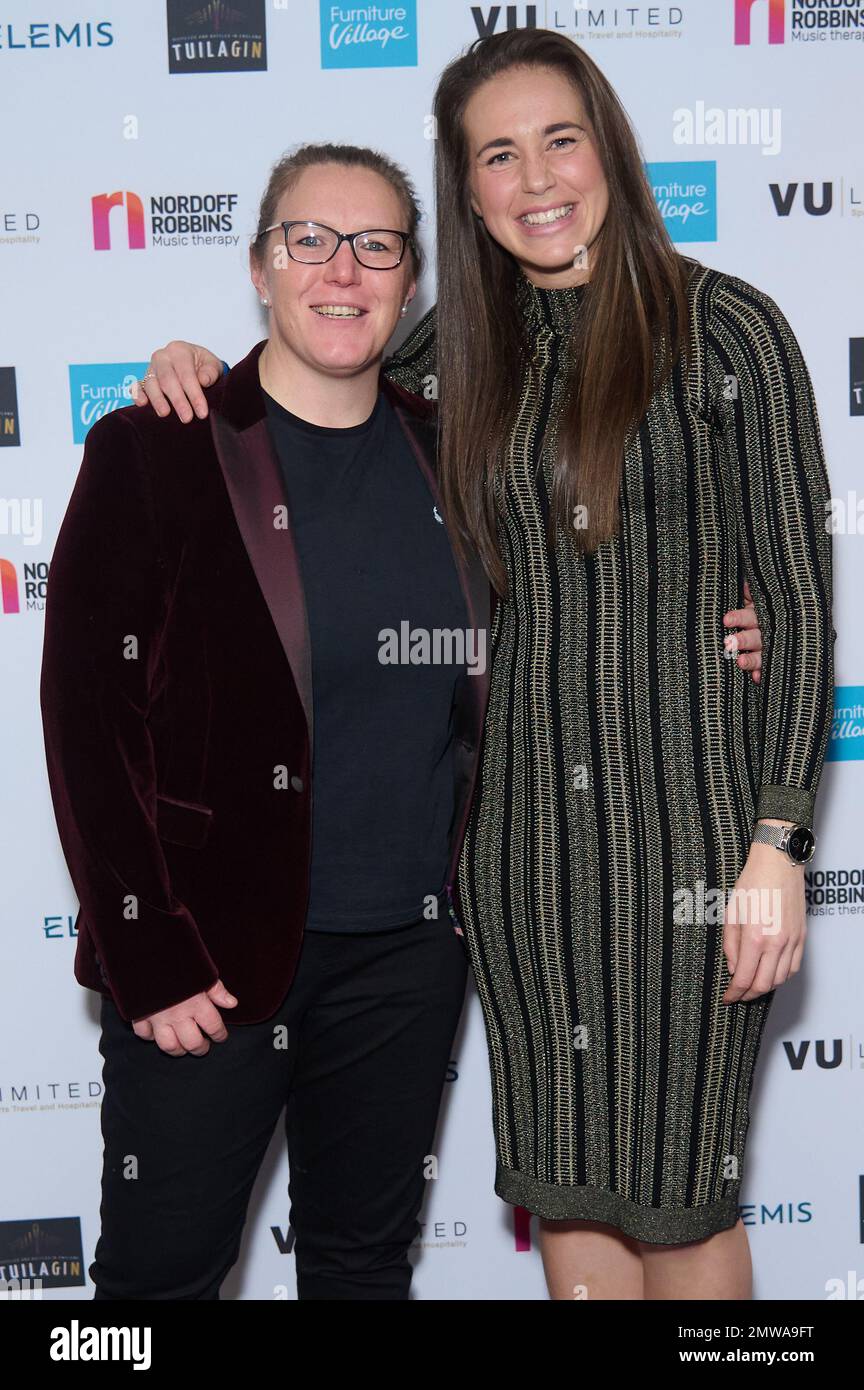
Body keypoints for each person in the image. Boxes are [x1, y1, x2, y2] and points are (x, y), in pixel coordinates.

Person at [134, 30, 829, 1304]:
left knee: (681, 1196)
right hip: (513, 857)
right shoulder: (450, 349)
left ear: (608, 147)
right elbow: (308, 375)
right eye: (495, 155)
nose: (536, 177)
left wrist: (779, 840)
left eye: (559, 138)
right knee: (567, 1187)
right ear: (465, 189)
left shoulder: (729, 330)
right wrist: (191, 367)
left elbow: (797, 596)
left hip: (690, 839)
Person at [40, 143, 493, 1300]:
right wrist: (148, 959)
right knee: (157, 1283)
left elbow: (565, 628)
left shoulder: (456, 456)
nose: (343, 269)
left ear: (408, 280)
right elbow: (90, 722)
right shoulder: (156, 447)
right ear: (260, 265)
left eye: (377, 244)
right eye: (312, 239)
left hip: (405, 955)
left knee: (360, 1268)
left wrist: (731, 624)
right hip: (209, 964)